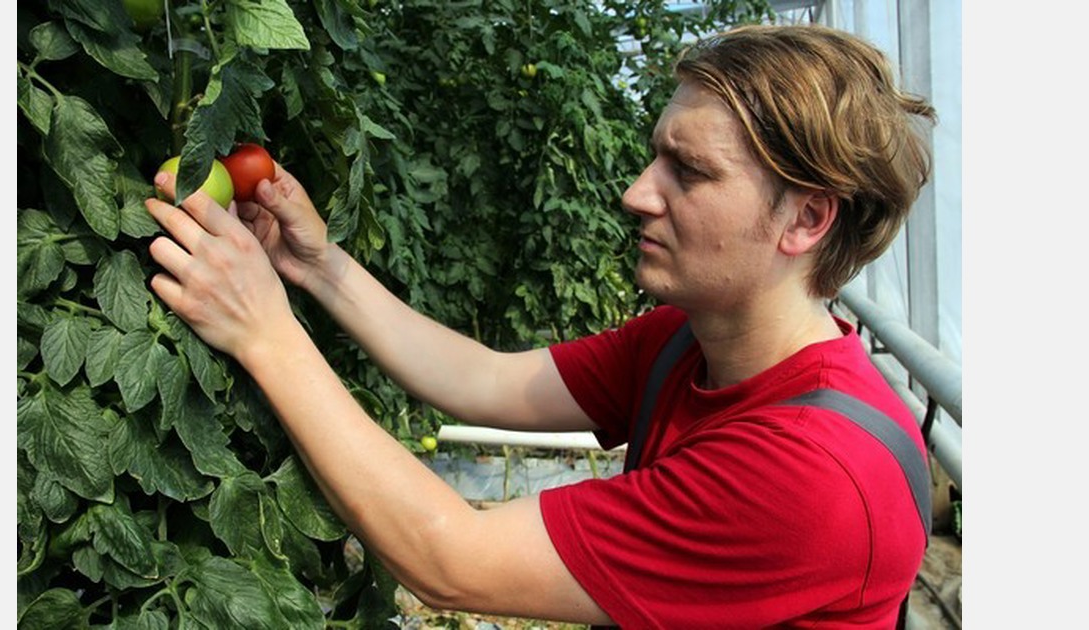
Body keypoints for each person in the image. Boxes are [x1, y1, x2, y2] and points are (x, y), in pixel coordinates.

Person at [144, 23, 936, 629]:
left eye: (689, 173)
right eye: (655, 157)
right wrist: (316, 267)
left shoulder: (816, 478)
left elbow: (450, 560)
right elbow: (487, 379)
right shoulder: (691, 341)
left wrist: (265, 333)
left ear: (806, 218)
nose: (637, 192)